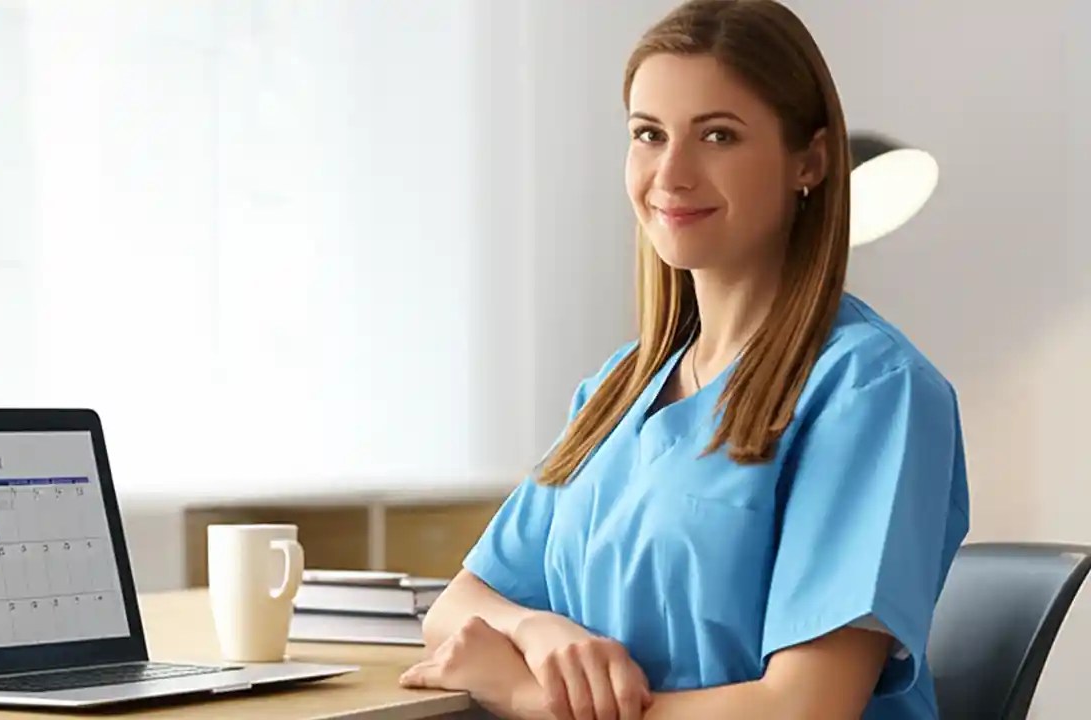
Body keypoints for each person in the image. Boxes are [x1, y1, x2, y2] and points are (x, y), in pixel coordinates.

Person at [396, 1, 969, 719]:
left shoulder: (872, 390)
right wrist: (541, 632)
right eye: (648, 134)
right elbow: (458, 607)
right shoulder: (618, 389)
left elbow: (805, 709)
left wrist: (524, 692)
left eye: (718, 135)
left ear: (812, 161)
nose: (671, 173)